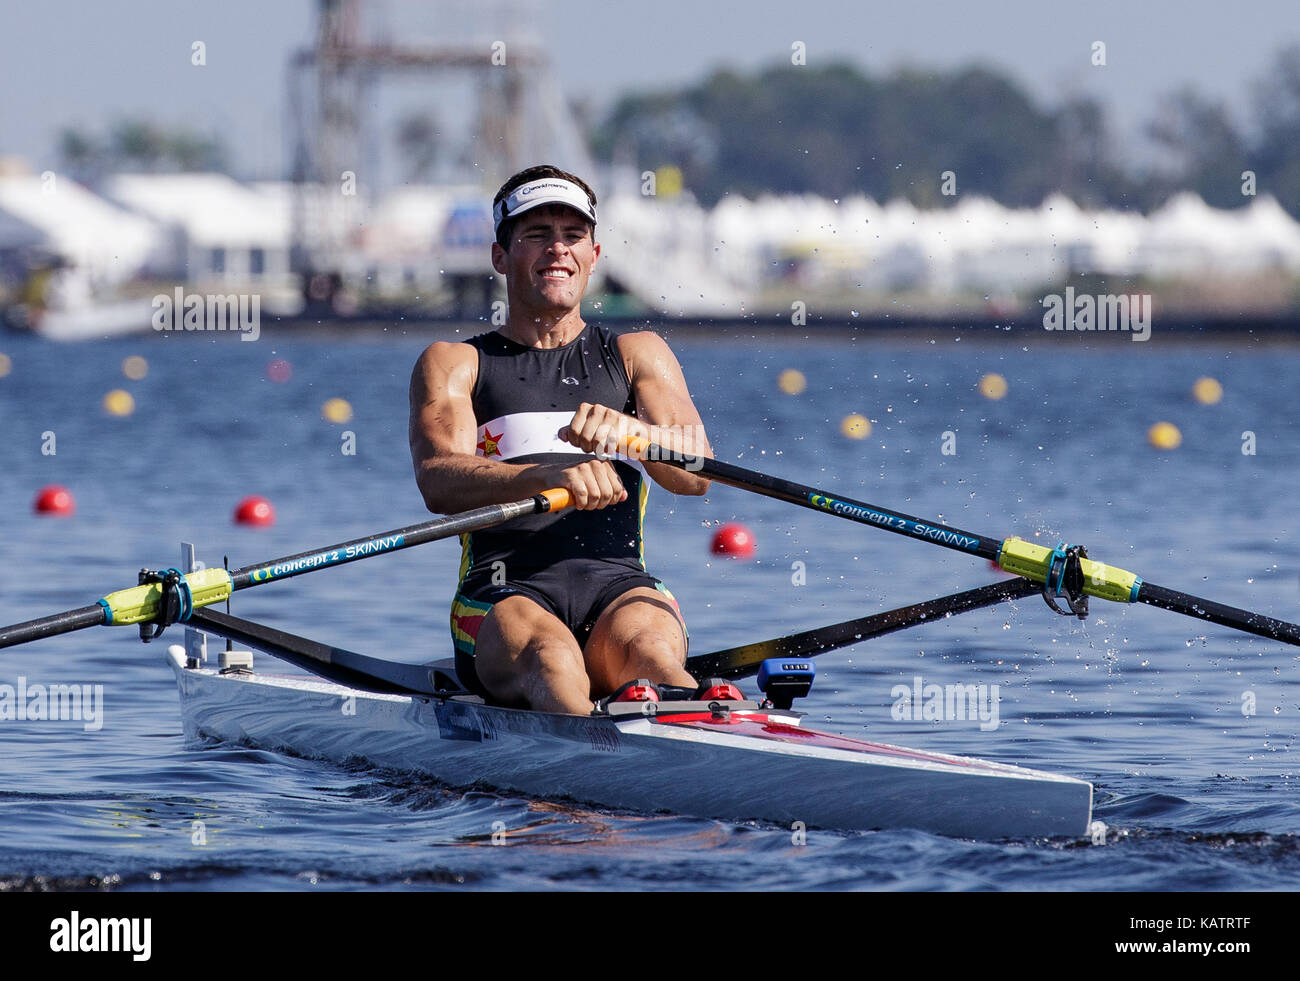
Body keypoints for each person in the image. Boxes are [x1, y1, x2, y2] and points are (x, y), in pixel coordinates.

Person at [408, 164, 719, 715]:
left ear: (594, 256)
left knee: (653, 654)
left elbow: (695, 476)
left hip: (621, 587)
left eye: (573, 236)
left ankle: (698, 738)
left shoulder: (638, 354)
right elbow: (439, 479)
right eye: (536, 235)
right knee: (552, 660)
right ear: (500, 257)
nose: (558, 250)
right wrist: (544, 476)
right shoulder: (457, 363)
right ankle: (587, 779)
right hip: (502, 593)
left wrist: (638, 437)